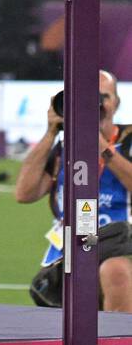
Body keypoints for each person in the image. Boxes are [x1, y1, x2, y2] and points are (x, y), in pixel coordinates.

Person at [15, 70, 132, 312]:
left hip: (121, 246)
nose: (95, 104)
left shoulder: (129, 140)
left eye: (103, 97)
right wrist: (50, 133)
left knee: (114, 271)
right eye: (85, 98)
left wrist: (101, 146)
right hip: (72, 248)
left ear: (116, 103)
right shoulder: (63, 147)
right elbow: (25, 193)